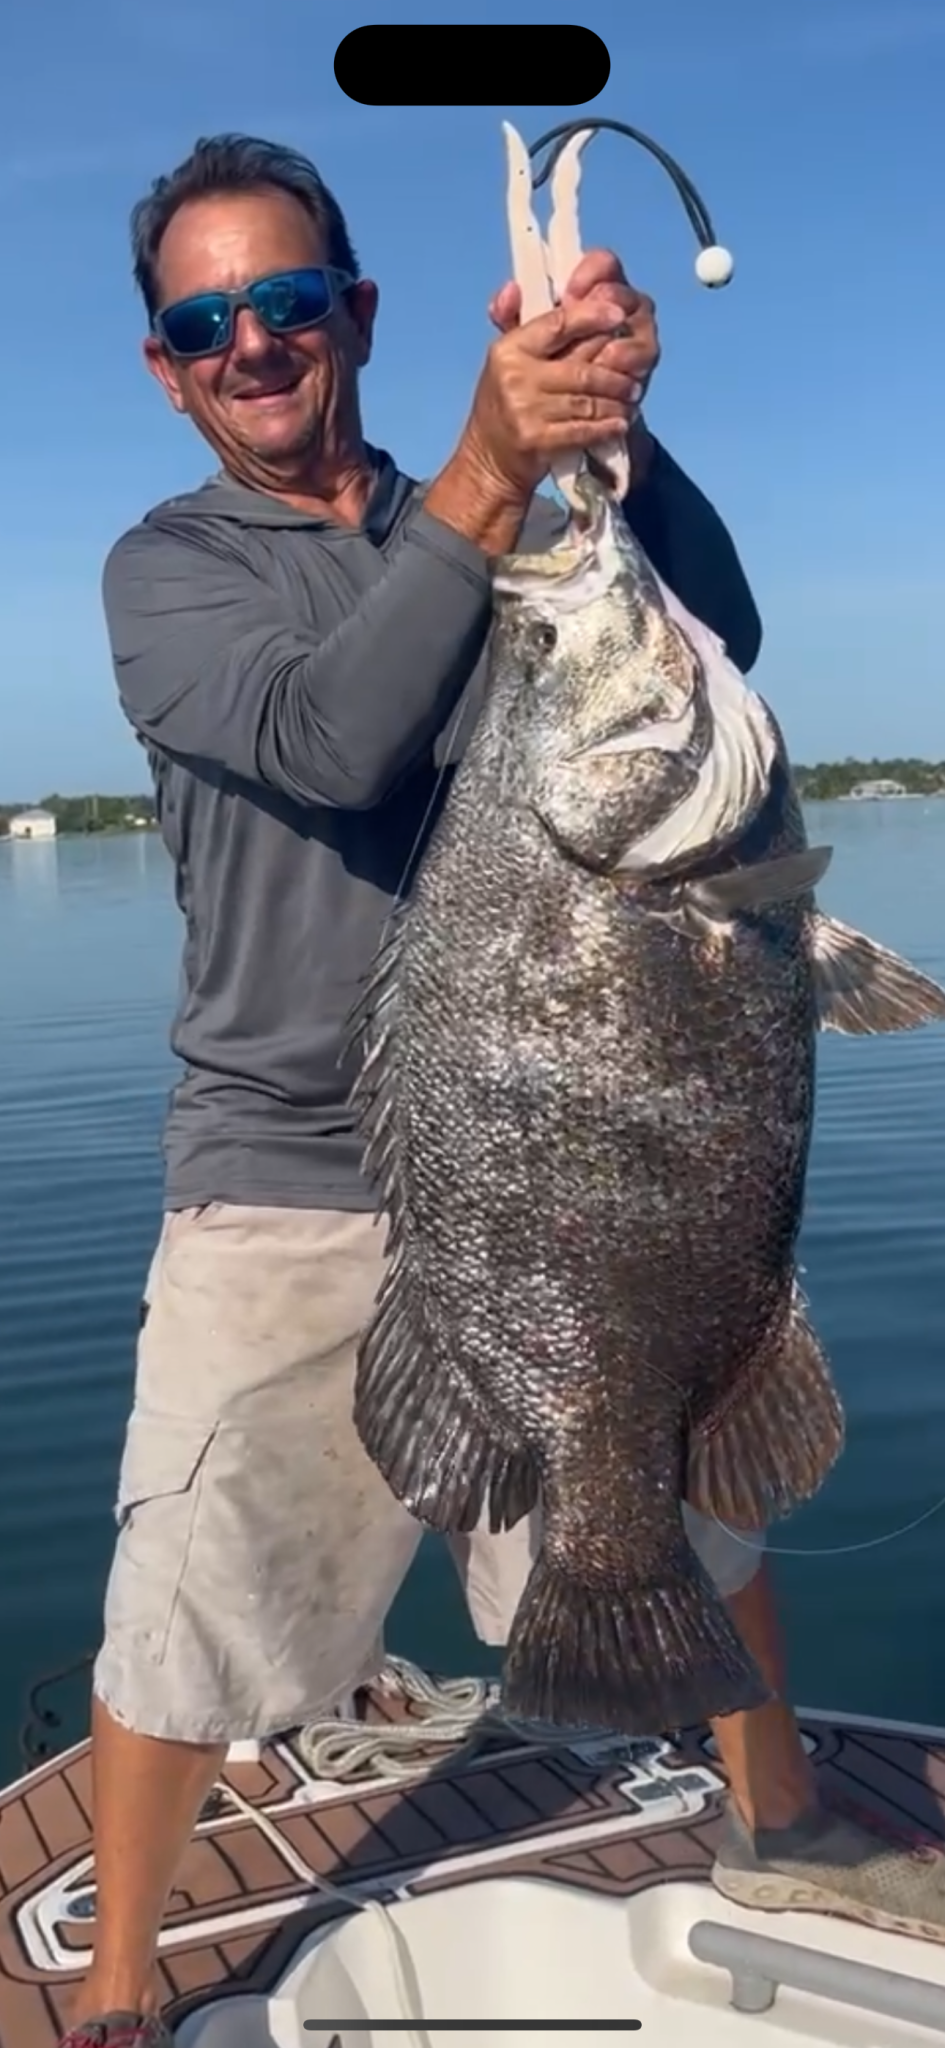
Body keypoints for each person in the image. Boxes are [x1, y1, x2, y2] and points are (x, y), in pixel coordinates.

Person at [61, 133, 945, 2048]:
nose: (255, 345)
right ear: (163, 363)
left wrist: (607, 422)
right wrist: (490, 463)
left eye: (290, 303)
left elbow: (717, 626)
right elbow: (331, 731)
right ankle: (126, 1982)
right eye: (206, 323)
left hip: (561, 1133)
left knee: (688, 1496)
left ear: (357, 314)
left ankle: (776, 1815)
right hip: (284, 1173)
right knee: (196, 1594)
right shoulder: (171, 572)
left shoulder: (514, 515)